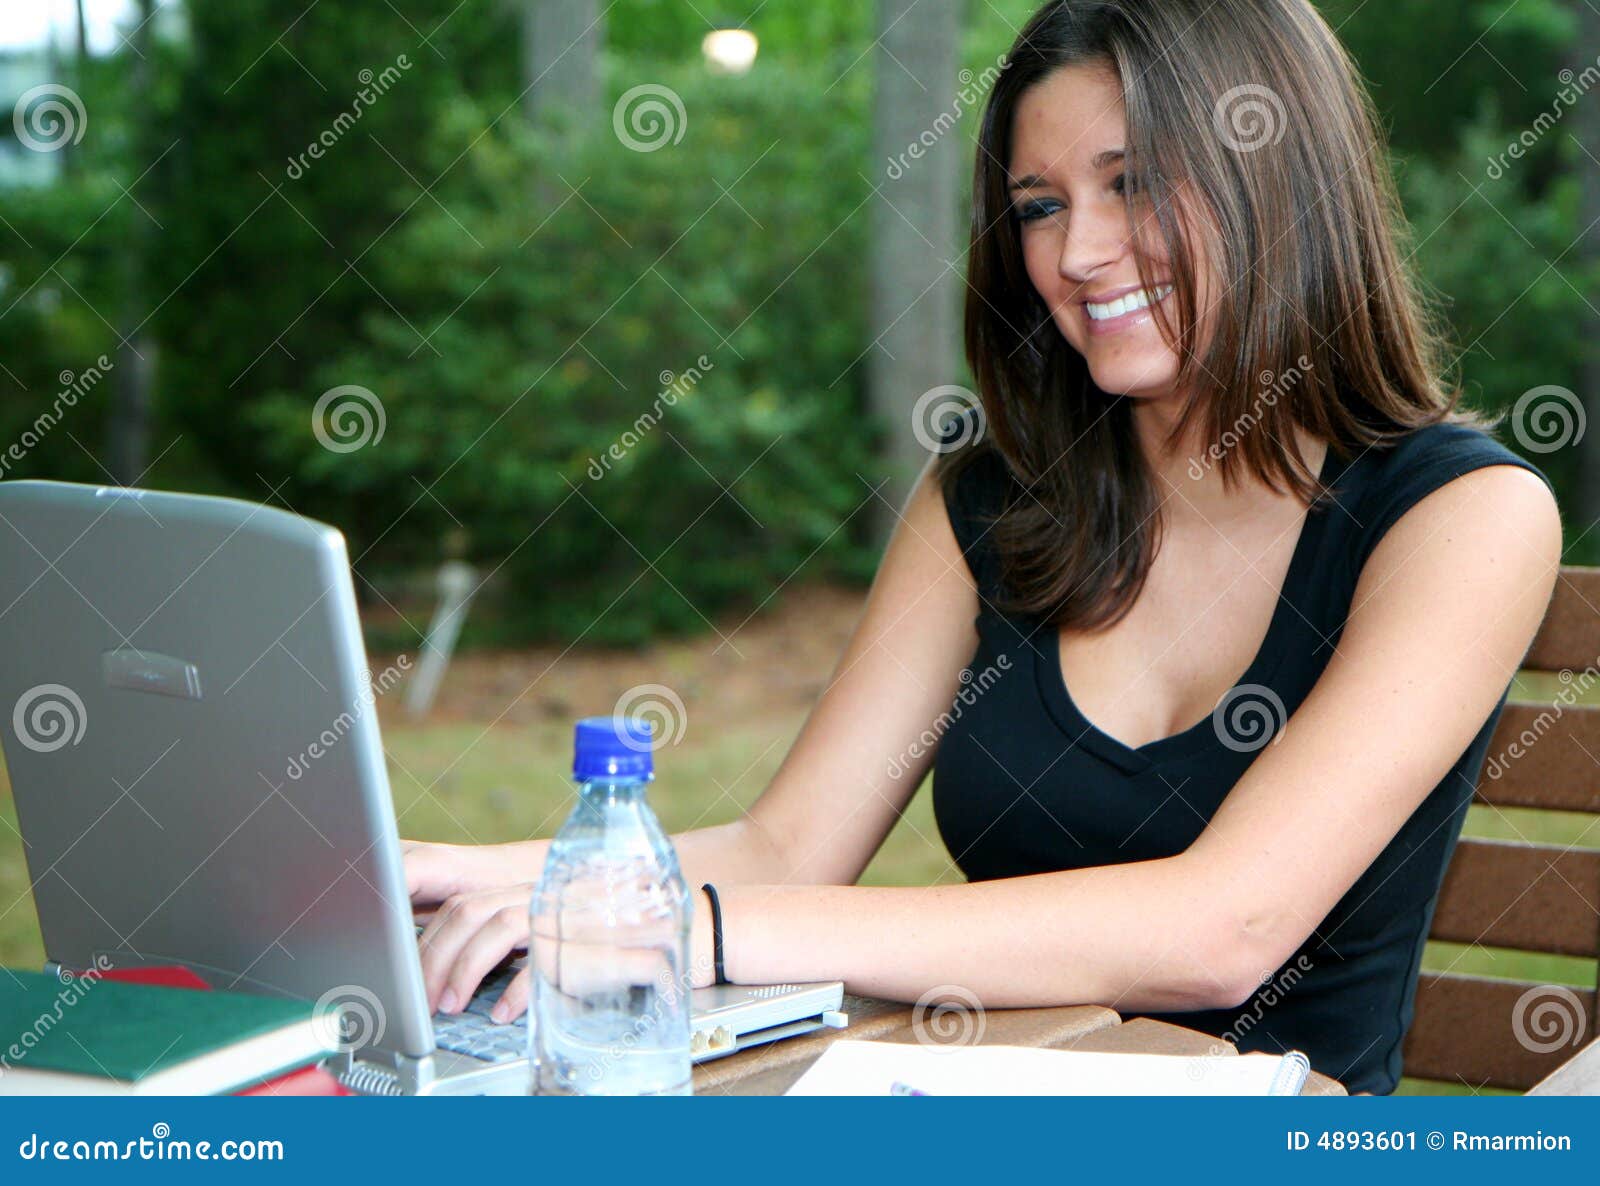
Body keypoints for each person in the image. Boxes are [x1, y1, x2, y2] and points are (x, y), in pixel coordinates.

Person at [403, 0, 1561, 1095]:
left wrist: (688, 929)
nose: (1078, 253)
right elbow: (788, 841)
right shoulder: (994, 500)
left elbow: (1226, 929)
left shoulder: (1457, 517)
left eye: (1134, 184)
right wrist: (490, 875)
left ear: (1280, 182)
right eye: (1040, 205)